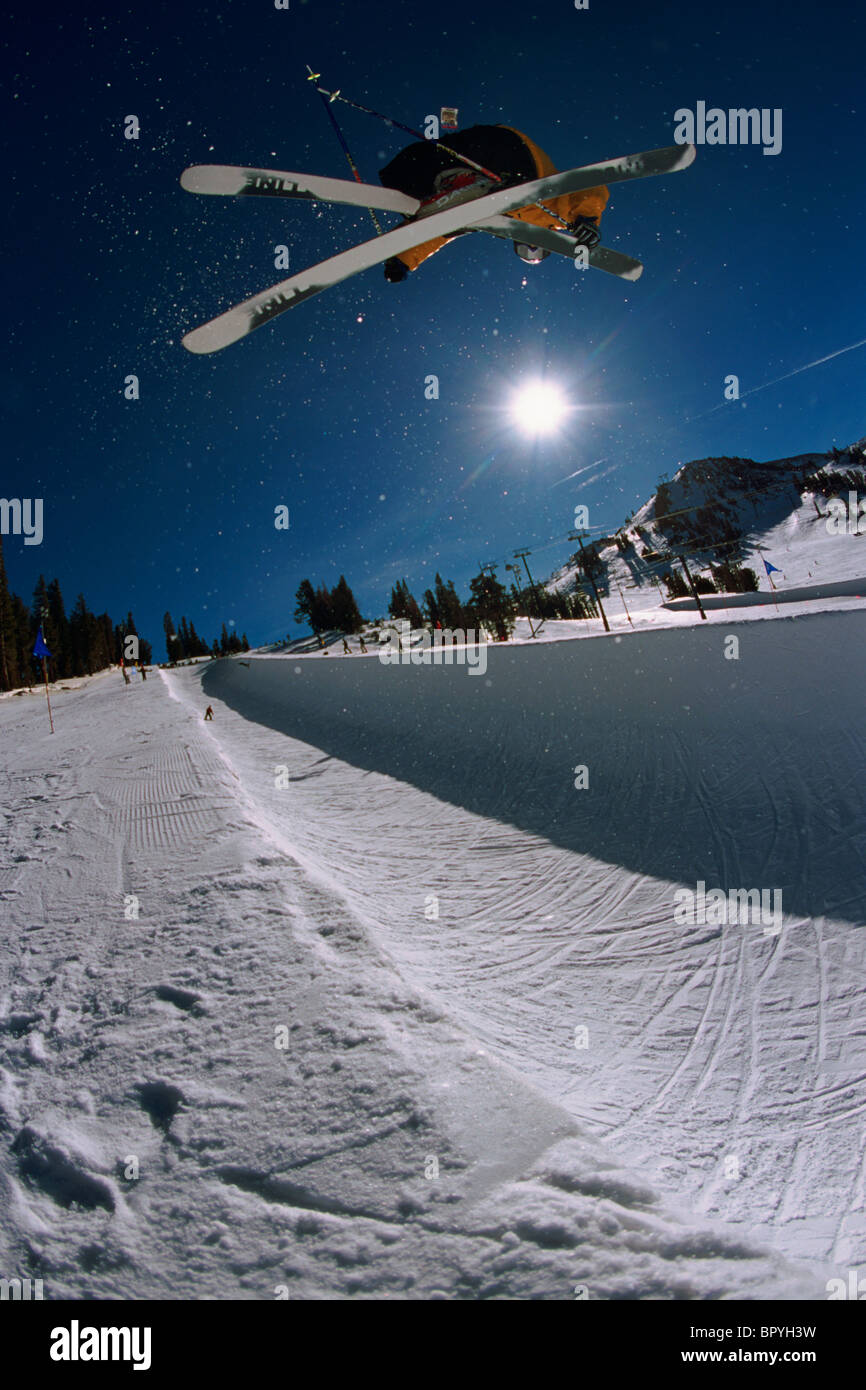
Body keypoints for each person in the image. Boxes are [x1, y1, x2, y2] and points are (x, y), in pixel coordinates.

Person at [378, 124, 609, 282]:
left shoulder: (499, 219)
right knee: (498, 193)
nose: (529, 247)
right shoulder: (555, 215)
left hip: (460, 152)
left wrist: (402, 259)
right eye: (537, 248)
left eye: (525, 252)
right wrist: (587, 220)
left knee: (400, 176)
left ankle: (455, 182)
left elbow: (446, 228)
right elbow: (588, 187)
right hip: (514, 155)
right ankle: (475, 182)